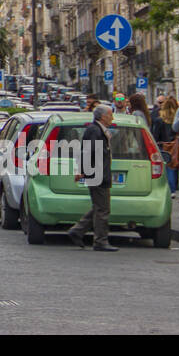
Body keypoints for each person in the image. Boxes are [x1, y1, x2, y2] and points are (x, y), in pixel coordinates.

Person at [66, 105, 117, 252]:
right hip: (97, 175)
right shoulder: (95, 130)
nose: (112, 118)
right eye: (110, 115)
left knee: (99, 207)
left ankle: (77, 231)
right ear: (102, 117)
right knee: (103, 209)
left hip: (100, 174)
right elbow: (88, 152)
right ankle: (100, 241)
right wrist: (82, 170)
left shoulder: (98, 130)